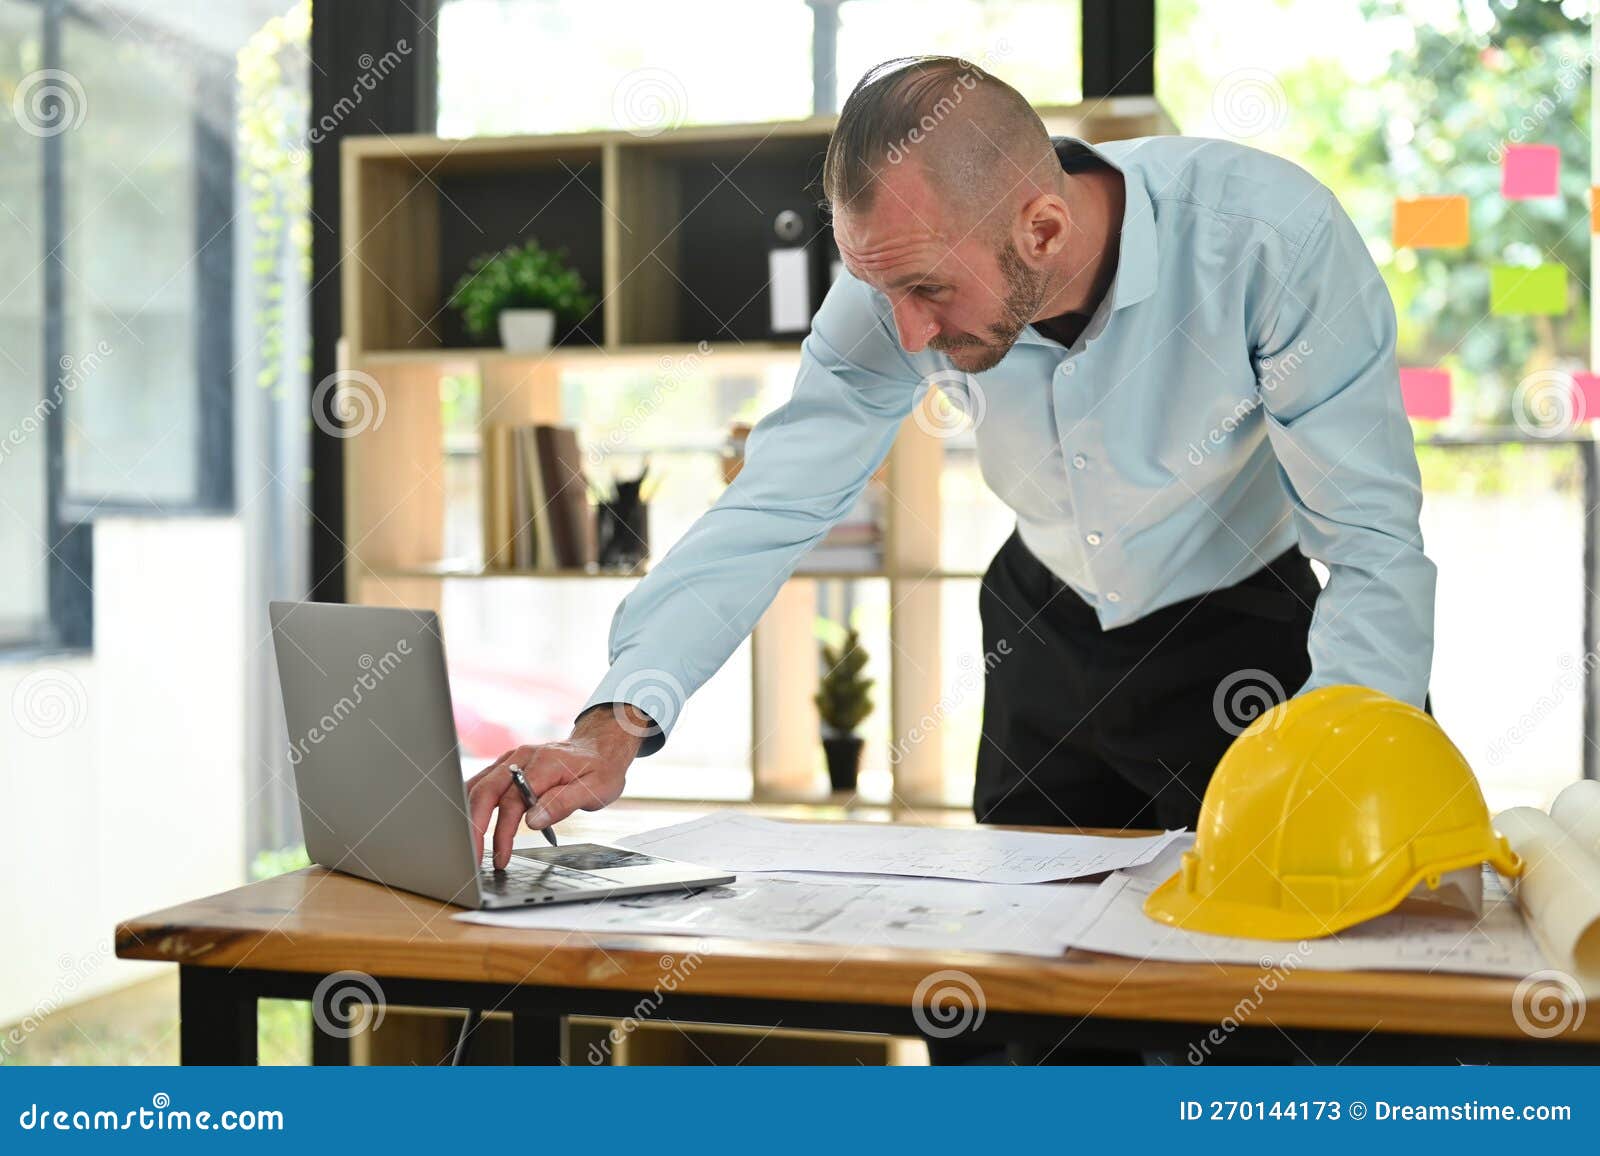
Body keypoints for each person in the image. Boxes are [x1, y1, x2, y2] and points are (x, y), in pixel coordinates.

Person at [465, 56, 1435, 1060]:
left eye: (926, 291)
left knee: (1277, 1020)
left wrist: (1353, 762)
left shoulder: (1271, 240)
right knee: (1011, 1023)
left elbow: (1369, 540)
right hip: (1043, 632)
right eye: (881, 289)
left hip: (1244, 633)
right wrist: (614, 719)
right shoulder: (899, 278)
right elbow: (772, 498)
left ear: (1043, 229)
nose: (907, 333)